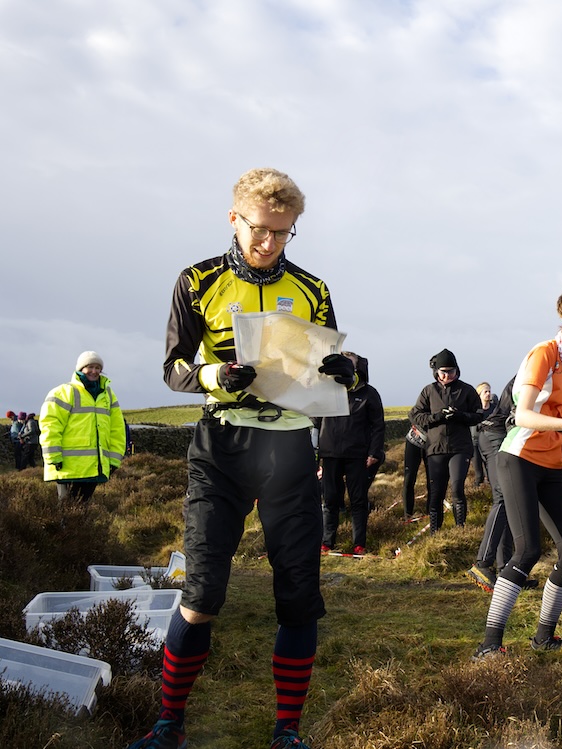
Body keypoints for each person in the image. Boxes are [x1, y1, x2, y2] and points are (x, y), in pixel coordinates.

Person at [131, 167, 356, 749]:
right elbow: (173, 367)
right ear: (234, 218)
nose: (270, 242)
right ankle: (169, 725)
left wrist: (348, 372)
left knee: (299, 598)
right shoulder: (196, 280)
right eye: (260, 229)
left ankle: (287, 731)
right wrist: (215, 374)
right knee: (202, 594)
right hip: (223, 447)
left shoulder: (313, 289)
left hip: (290, 446)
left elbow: (330, 366)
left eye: (284, 232)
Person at [476, 288, 562, 658]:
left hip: (553, 466)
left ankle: (543, 637)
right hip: (518, 459)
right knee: (527, 551)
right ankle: (489, 645)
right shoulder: (544, 353)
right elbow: (522, 416)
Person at [312, 352, 384, 554]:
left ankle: (359, 544)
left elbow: (378, 426)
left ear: (358, 367)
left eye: (350, 364)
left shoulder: (369, 393)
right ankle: (327, 542)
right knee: (330, 500)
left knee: (358, 500)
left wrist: (374, 452)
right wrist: (315, 457)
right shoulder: (326, 392)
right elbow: (315, 423)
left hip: (357, 454)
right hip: (330, 454)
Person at [409, 349, 482, 531]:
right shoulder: (429, 391)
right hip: (435, 448)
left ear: (457, 370)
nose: (447, 375)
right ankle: (435, 532)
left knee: (457, 488)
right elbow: (415, 415)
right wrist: (436, 417)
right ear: (436, 372)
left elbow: (479, 415)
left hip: (460, 448)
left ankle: (460, 529)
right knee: (436, 493)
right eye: (443, 372)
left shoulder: (467, 390)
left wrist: (460, 416)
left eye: (451, 371)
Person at [41, 351, 127, 504]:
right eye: (90, 367)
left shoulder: (108, 395)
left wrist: (114, 460)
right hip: (67, 467)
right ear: (81, 369)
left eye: (97, 368)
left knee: (82, 509)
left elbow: (117, 429)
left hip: (94, 467)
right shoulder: (64, 392)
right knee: (67, 508)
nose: (94, 371)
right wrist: (52, 456)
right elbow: (50, 425)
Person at [467, 376, 518, 592]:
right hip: (495, 434)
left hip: (504, 434)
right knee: (503, 497)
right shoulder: (539, 370)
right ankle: (482, 565)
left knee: (509, 501)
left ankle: (505, 569)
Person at [469, 382, 494, 488]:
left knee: (491, 472)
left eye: (489, 391)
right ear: (479, 394)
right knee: (478, 473)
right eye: (485, 392)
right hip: (475, 442)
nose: (488, 394)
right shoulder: (474, 409)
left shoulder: (494, 409)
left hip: (490, 443)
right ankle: (477, 492)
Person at [400, 421, 425, 521]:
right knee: (409, 479)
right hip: (414, 440)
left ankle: (431, 513)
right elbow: (413, 415)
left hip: (433, 442)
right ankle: (408, 515)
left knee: (432, 480)